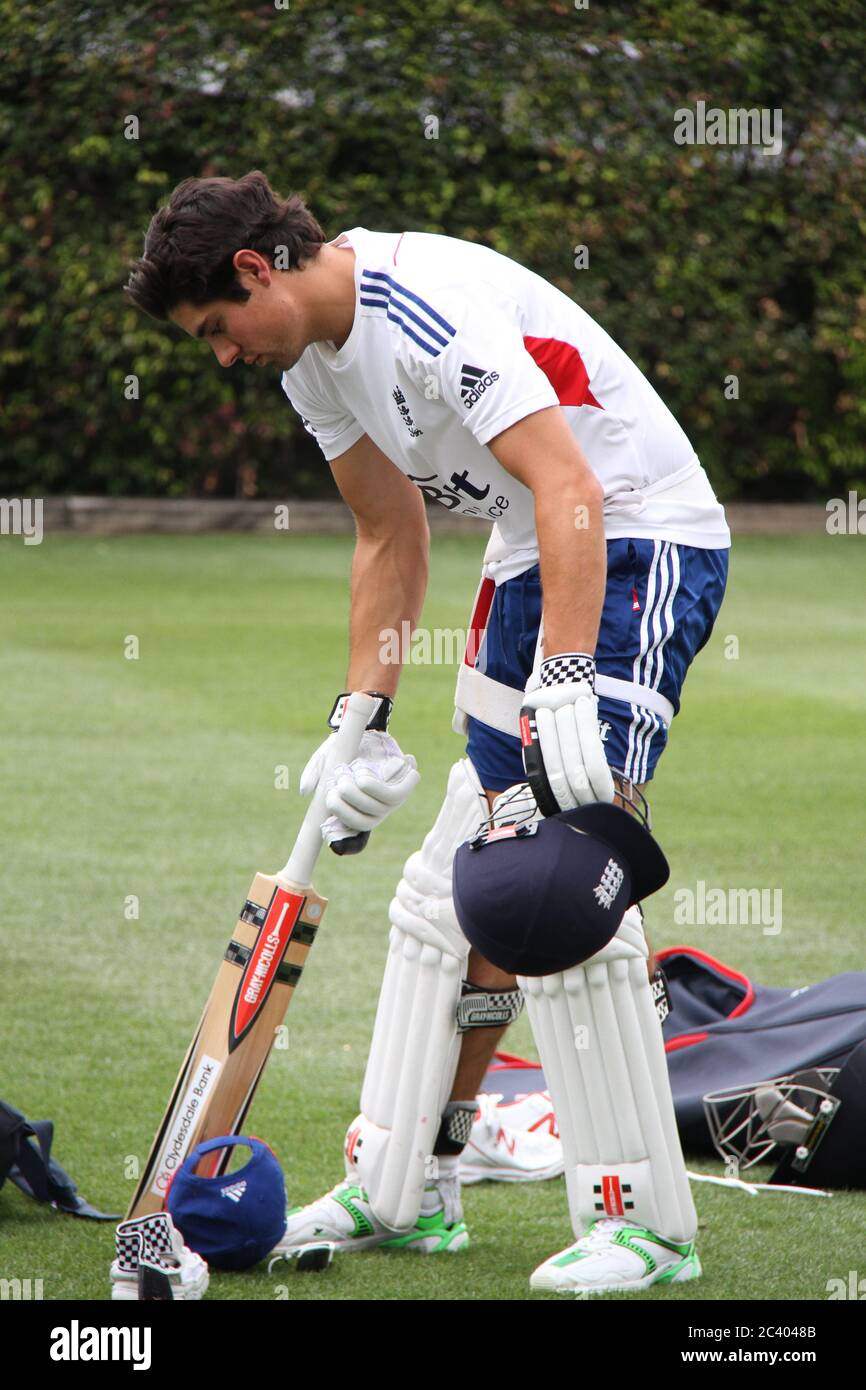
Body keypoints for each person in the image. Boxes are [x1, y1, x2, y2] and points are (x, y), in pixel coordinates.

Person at [125, 170, 730, 1294]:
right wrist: (361, 718)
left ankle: (642, 1221)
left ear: (257, 270)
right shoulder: (309, 359)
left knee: (558, 874)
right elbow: (386, 530)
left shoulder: (420, 304)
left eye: (216, 326)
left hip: (639, 536)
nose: (219, 354)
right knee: (444, 891)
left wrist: (560, 669)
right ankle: (406, 1187)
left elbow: (568, 482)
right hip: (526, 549)